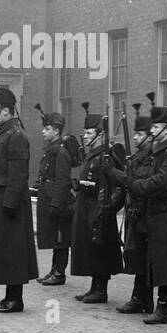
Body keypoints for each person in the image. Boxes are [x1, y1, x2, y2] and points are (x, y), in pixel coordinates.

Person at [106, 100, 167, 323]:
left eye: (156, 128)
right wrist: (129, 180)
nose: (152, 131)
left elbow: (160, 182)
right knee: (162, 260)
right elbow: (149, 178)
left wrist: (131, 183)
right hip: (160, 211)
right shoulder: (161, 152)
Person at [0, 70, 39, 312]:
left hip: (9, 207)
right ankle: (9, 296)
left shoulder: (16, 136)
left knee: (12, 252)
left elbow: (17, 175)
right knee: (4, 251)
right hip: (1, 204)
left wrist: (9, 206)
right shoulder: (4, 136)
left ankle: (15, 299)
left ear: (6, 110)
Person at [69, 102, 124, 305]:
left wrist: (109, 207)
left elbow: (119, 184)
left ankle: (101, 290)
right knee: (90, 249)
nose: (85, 136)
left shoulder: (107, 155)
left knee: (100, 250)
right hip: (86, 207)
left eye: (89, 132)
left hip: (100, 209)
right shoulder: (92, 155)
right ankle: (94, 287)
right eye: (84, 132)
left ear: (100, 135)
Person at [114, 100, 156, 314]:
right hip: (136, 213)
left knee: (147, 260)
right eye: (136, 135)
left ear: (150, 136)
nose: (137, 138)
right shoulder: (137, 157)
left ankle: (144, 299)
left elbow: (144, 183)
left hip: (148, 214)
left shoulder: (153, 158)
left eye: (140, 135)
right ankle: (139, 298)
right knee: (137, 257)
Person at [32, 104, 74, 287]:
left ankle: (59, 273)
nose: (43, 132)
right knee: (55, 238)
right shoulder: (51, 150)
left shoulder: (60, 152)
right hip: (49, 199)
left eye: (47, 129)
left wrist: (56, 205)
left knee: (60, 238)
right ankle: (54, 270)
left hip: (57, 202)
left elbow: (63, 180)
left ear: (56, 131)